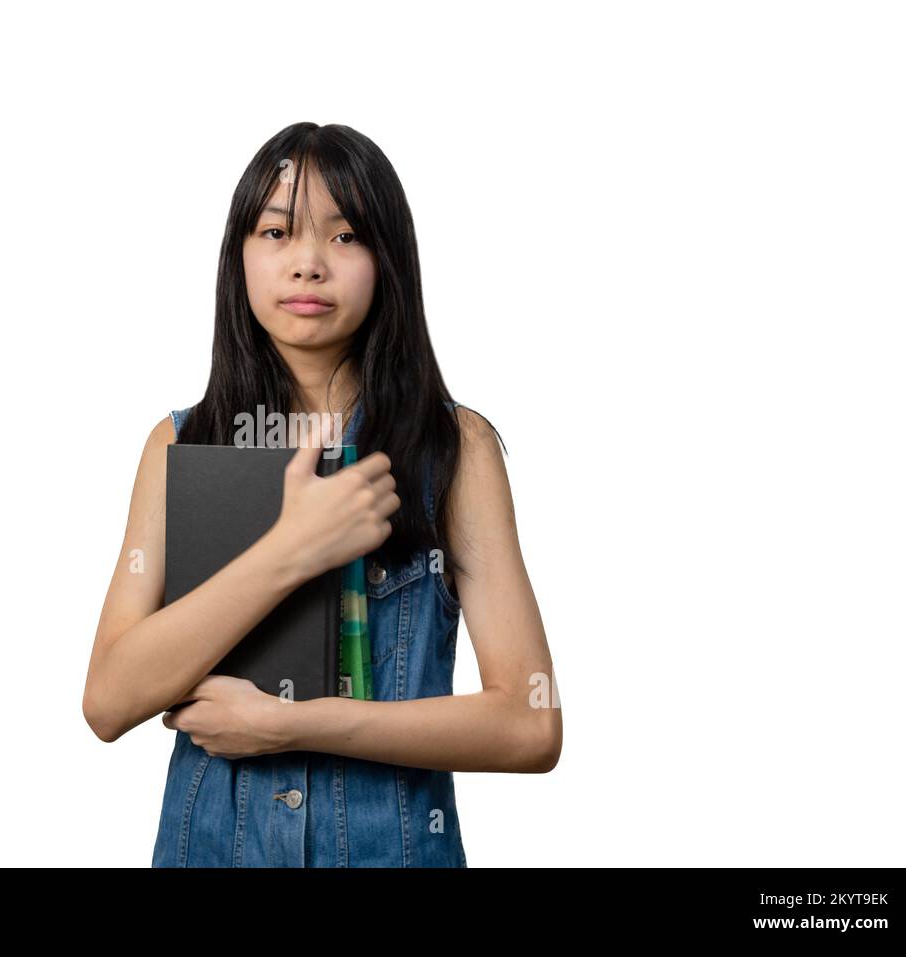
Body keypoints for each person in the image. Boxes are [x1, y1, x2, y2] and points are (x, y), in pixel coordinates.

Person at [83, 122, 561, 867]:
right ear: (238, 255)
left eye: (345, 237)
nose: (307, 264)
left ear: (388, 261)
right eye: (276, 231)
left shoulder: (453, 450)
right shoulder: (180, 445)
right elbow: (109, 700)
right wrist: (293, 548)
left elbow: (531, 725)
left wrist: (293, 724)